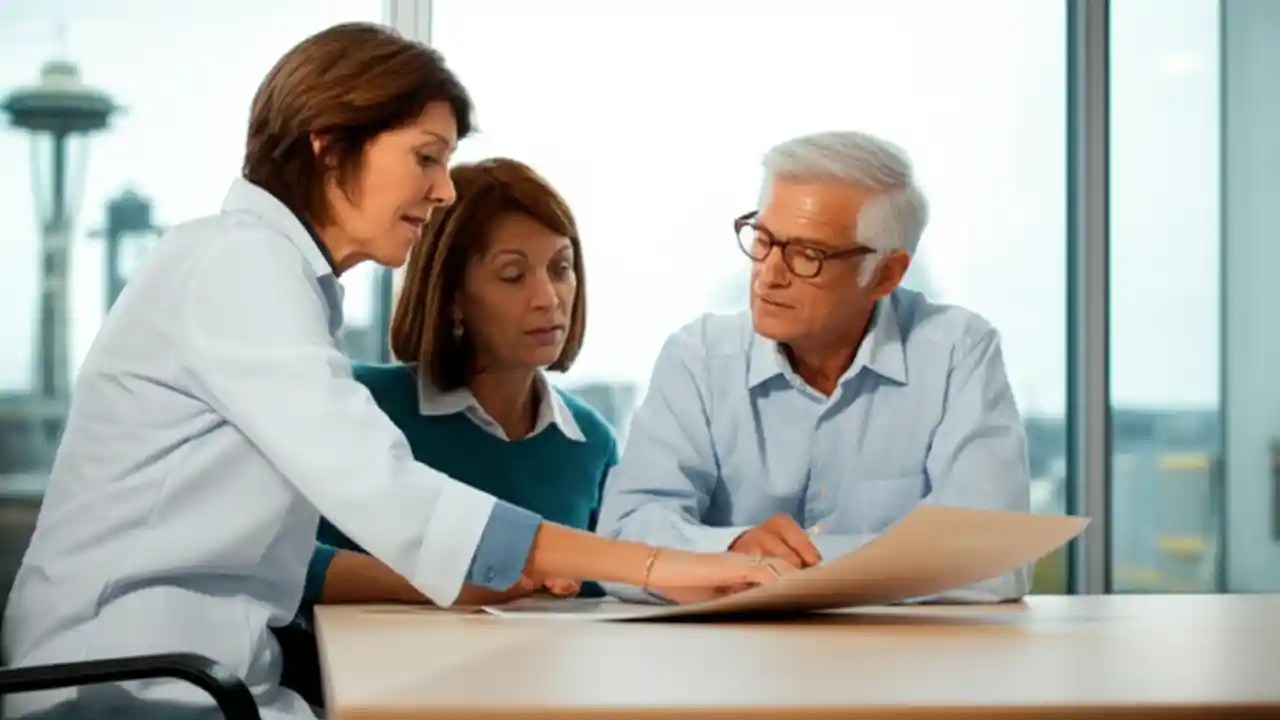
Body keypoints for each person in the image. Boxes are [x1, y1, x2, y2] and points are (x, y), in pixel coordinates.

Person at [1, 23, 791, 720]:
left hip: (203, 678)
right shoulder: (237, 264)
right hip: (127, 688)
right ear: (329, 142)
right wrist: (661, 566)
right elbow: (390, 493)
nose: (443, 190)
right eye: (426, 158)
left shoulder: (276, 278)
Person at [595, 130, 1031, 603]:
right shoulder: (698, 357)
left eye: (808, 255)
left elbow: (994, 558)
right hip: (725, 661)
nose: (769, 273)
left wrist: (759, 568)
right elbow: (620, 543)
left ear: (886, 274)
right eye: (762, 240)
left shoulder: (956, 353)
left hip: (903, 664)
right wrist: (733, 548)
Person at [303, 158, 617, 610]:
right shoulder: (364, 405)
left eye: (560, 268)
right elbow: (284, 562)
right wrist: (444, 581)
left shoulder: (591, 444)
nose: (548, 299)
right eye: (513, 275)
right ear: (451, 296)